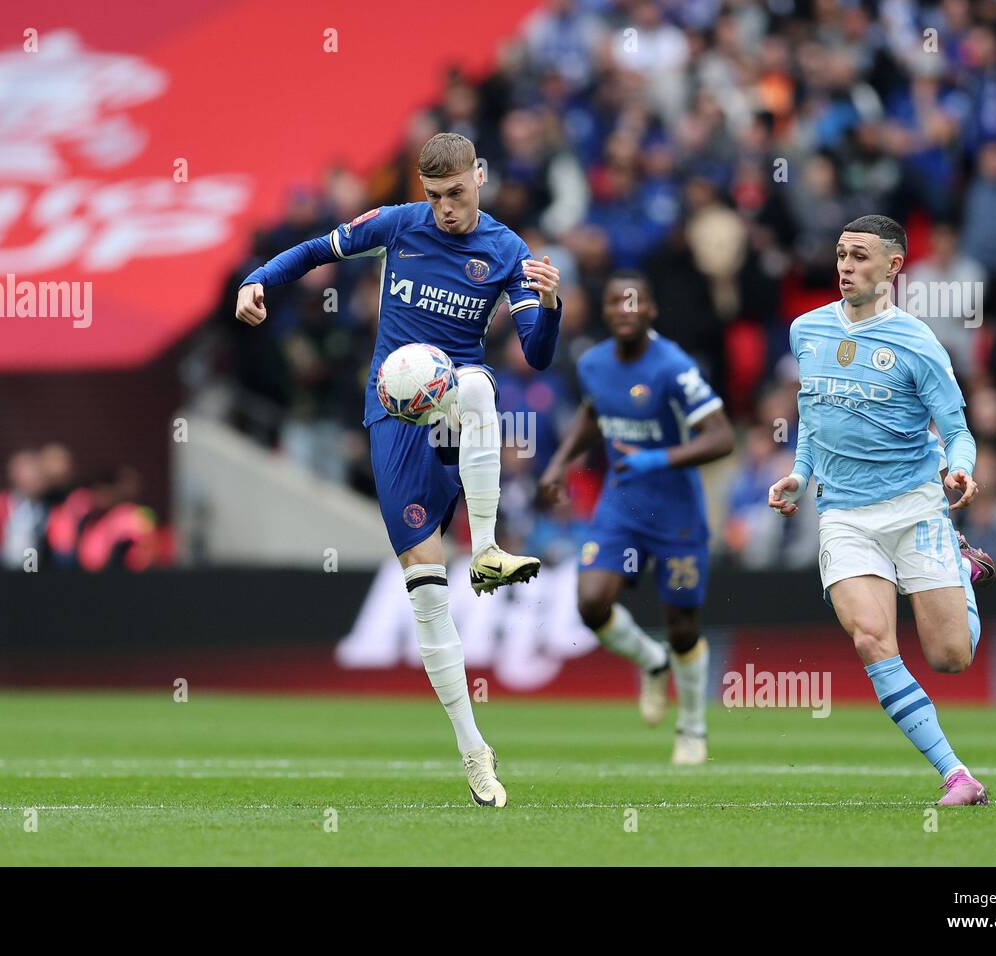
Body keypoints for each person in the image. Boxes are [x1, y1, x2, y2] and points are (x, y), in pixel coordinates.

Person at [234, 132, 565, 808]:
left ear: (480, 175)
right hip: (393, 413)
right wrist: (256, 280)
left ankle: (491, 547)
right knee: (427, 594)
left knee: (476, 387)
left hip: (456, 404)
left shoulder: (506, 253)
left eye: (457, 193)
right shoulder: (396, 226)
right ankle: (474, 751)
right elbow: (314, 250)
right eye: (435, 195)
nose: (446, 208)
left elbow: (536, 354)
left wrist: (550, 304)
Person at [767, 215, 995, 807]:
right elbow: (813, 418)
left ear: (893, 266)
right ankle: (956, 776)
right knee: (871, 637)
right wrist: (800, 473)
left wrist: (959, 469)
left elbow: (957, 431)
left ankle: (962, 573)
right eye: (841, 254)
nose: (846, 265)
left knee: (951, 658)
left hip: (915, 506)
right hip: (843, 514)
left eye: (861, 256)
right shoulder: (806, 330)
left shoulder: (918, 342)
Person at [539, 271, 734, 764]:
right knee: (590, 603)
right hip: (621, 505)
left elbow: (721, 436)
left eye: (635, 301)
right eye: (615, 301)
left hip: (676, 511)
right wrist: (561, 462)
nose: (625, 309)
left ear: (651, 311)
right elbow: (594, 413)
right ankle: (651, 660)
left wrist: (659, 458)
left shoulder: (674, 366)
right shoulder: (593, 363)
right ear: (604, 311)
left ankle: (692, 727)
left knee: (684, 625)